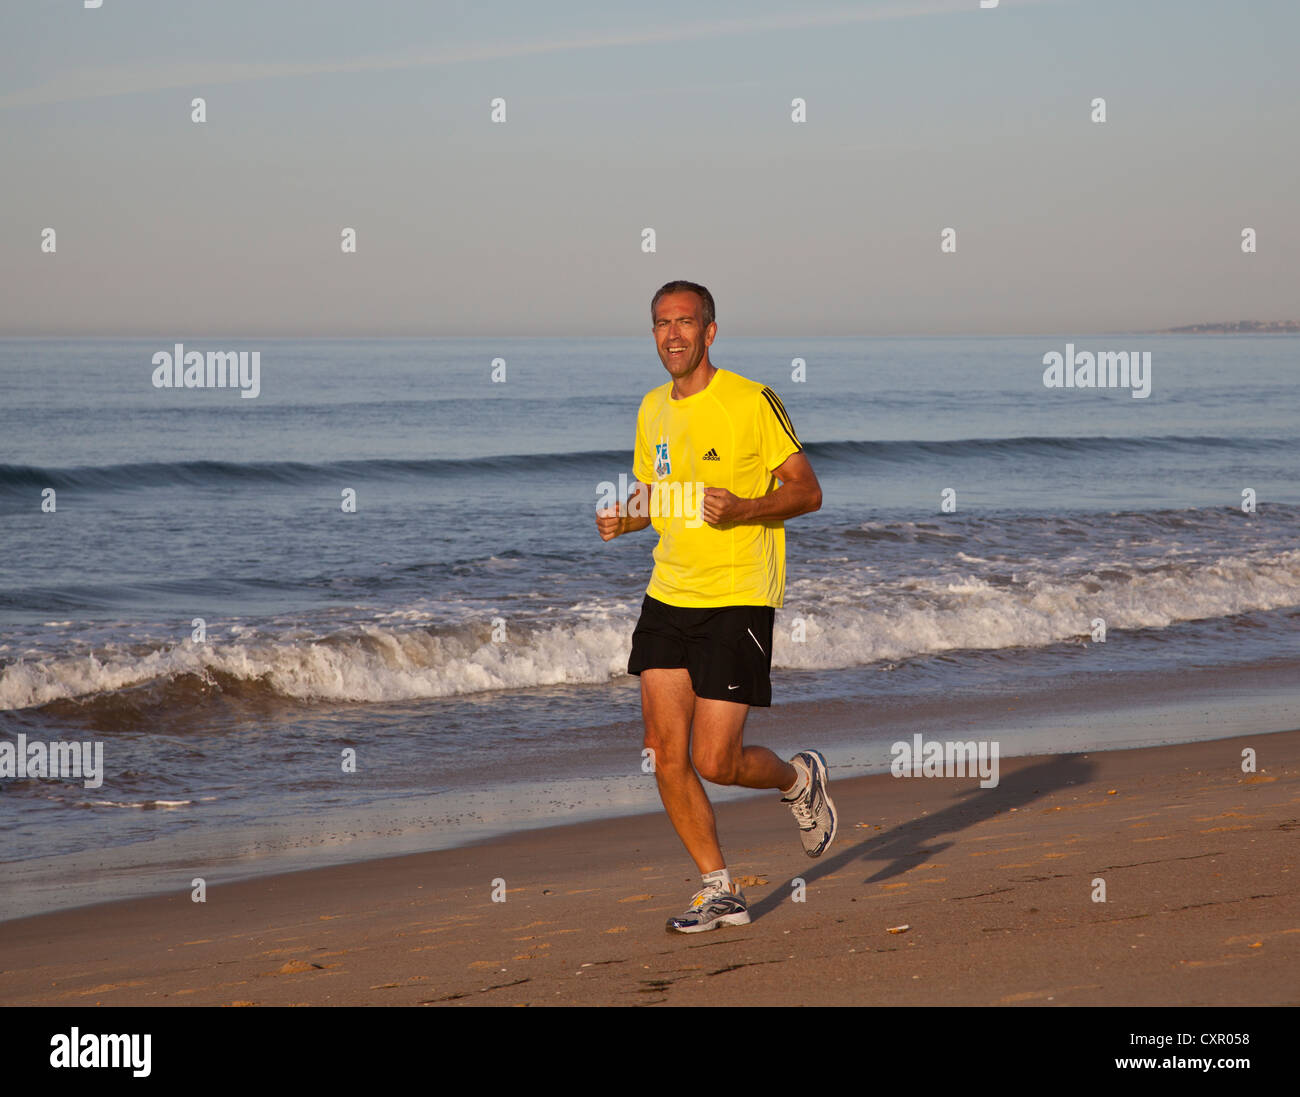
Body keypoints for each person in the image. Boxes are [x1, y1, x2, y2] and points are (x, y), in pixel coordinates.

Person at [596, 279, 836, 933]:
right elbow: (656, 492)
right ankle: (719, 886)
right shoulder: (652, 409)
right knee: (662, 750)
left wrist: (745, 507)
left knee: (716, 760)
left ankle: (796, 778)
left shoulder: (750, 400)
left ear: (709, 330)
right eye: (660, 323)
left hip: (739, 598)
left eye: (684, 321)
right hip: (668, 594)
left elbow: (808, 491)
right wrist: (627, 518)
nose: (671, 333)